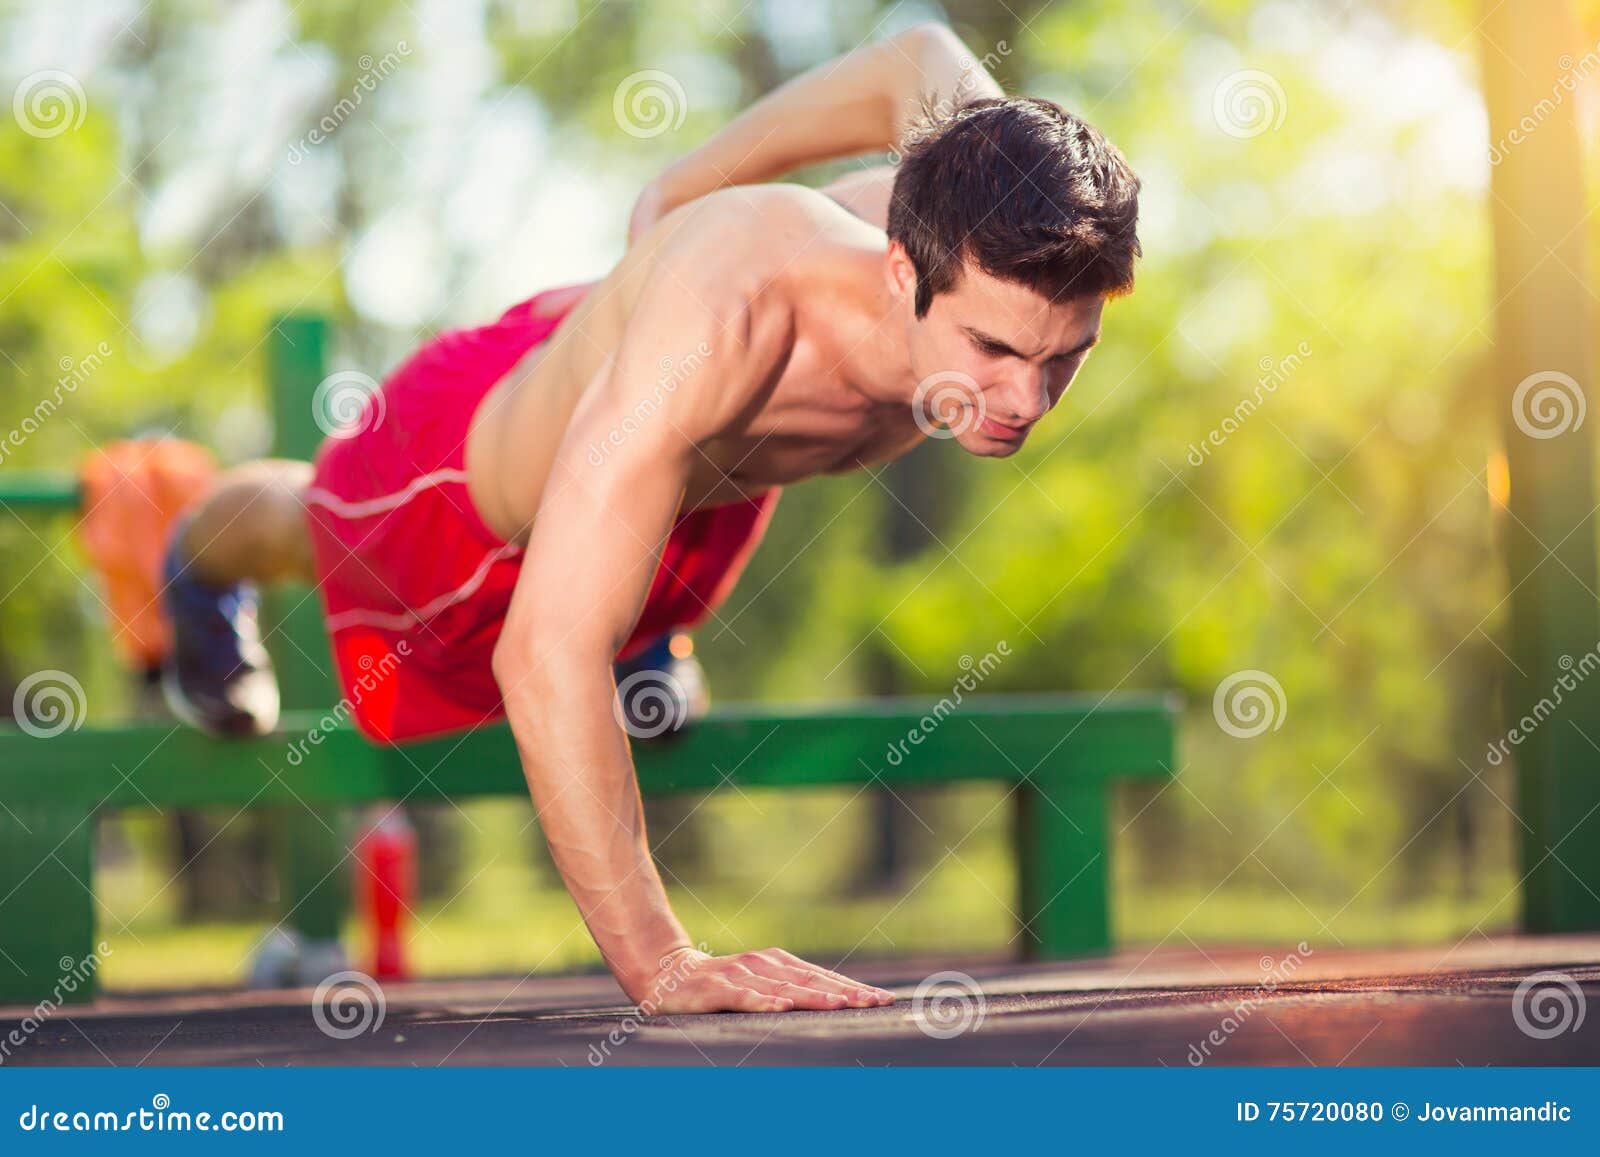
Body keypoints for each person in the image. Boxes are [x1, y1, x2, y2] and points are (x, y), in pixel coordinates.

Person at [158, 21, 1141, 1014]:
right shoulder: (737, 307)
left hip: (671, 461)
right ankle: (191, 557)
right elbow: (546, 653)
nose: (1026, 400)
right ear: (901, 272)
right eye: (991, 349)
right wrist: (664, 960)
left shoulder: (994, 192)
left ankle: (647, 627)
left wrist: (681, 182)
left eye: (1065, 356)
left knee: (666, 490)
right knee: (306, 523)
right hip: (461, 487)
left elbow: (917, 55)